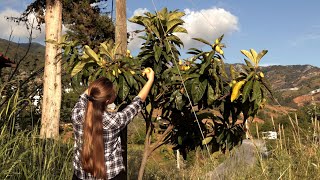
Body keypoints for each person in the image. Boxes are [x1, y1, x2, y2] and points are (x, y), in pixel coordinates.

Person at [72, 68, 154, 180]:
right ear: (108, 101)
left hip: (81, 175)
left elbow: (84, 96)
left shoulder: (76, 114)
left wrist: (100, 82)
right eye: (113, 92)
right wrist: (150, 79)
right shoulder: (115, 120)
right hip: (110, 175)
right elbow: (138, 101)